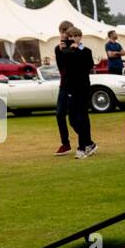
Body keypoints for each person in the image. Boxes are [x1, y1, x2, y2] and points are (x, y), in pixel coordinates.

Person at [59, 27, 96, 158]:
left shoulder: (86, 51)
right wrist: (62, 49)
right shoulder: (66, 52)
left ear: (80, 37)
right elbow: (62, 65)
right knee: (72, 119)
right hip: (70, 88)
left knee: (82, 116)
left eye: (76, 36)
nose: (73, 38)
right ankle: (88, 142)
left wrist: (76, 51)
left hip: (83, 87)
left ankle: (82, 147)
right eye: (71, 36)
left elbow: (87, 66)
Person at [52, 20, 75, 155]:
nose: (64, 34)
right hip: (64, 85)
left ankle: (87, 141)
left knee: (75, 118)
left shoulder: (77, 46)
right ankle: (65, 143)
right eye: (62, 32)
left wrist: (68, 49)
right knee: (60, 114)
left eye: (66, 31)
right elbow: (61, 66)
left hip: (76, 85)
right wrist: (61, 50)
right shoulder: (58, 48)